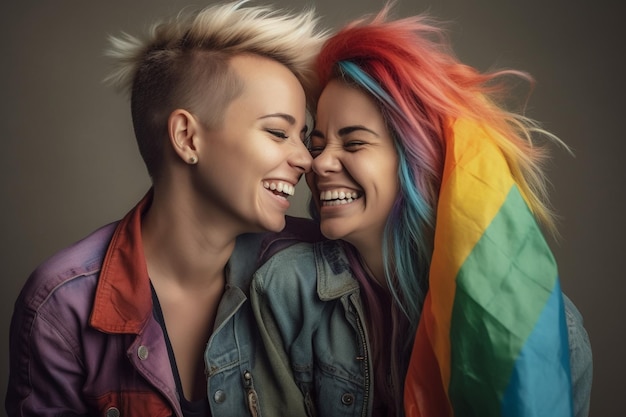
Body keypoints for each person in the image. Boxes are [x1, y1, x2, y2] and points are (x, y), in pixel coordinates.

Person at [251, 6, 592, 417]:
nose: (318, 163)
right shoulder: (288, 289)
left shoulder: (549, 331)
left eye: (354, 143)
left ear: (419, 160)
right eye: (319, 144)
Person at [5, 2, 328, 416]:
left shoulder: (314, 269)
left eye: (302, 137)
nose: (305, 159)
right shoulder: (61, 307)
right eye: (278, 132)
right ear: (187, 138)